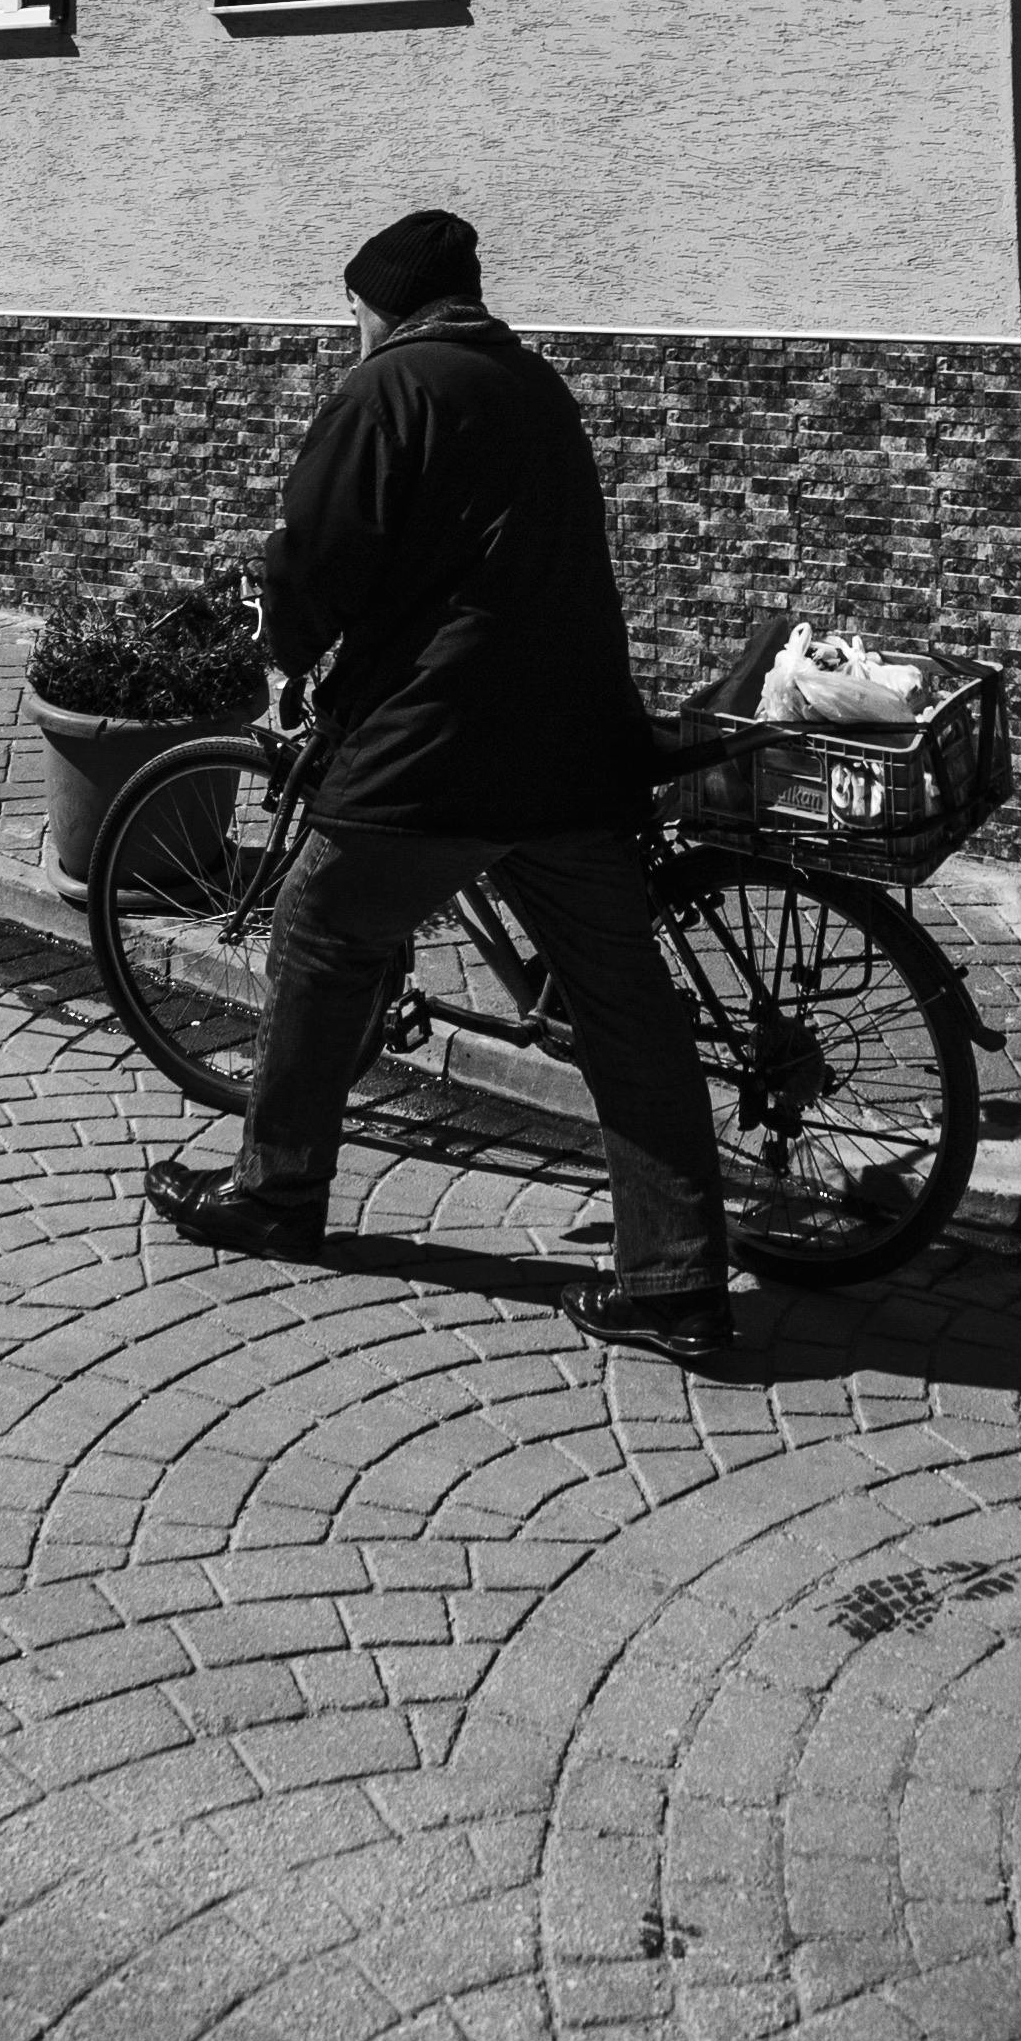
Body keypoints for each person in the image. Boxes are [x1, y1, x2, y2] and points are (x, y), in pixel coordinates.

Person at [145, 204, 735, 1360]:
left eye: (354, 307)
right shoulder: (536, 388)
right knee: (623, 1004)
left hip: (442, 742)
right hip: (574, 740)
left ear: (385, 303)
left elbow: (318, 554)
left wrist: (290, 640)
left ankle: (276, 1192)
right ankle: (678, 1281)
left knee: (319, 926)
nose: (350, 326)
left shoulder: (389, 391)